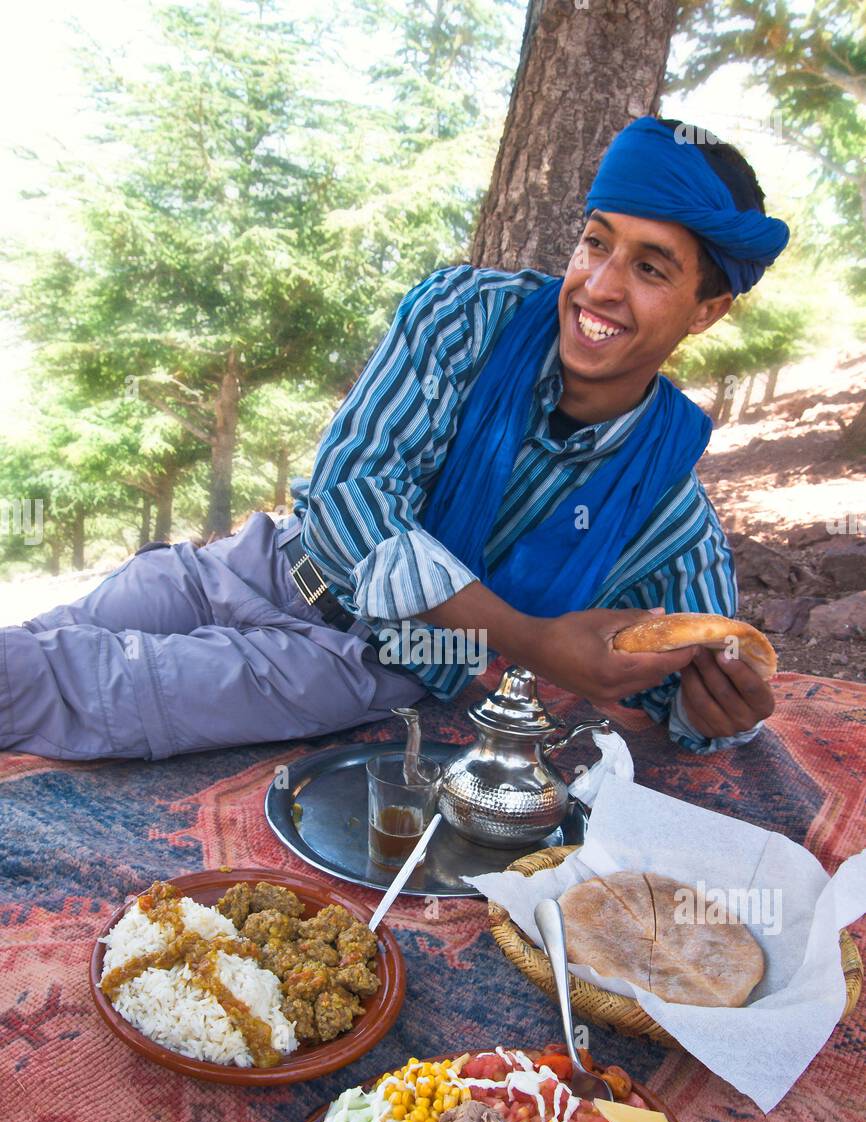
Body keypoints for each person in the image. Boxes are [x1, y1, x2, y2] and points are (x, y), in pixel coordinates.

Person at [0, 116, 788, 762]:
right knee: (34, 641)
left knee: (53, 688)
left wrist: (718, 710)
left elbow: (702, 672)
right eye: (595, 242)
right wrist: (530, 641)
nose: (601, 286)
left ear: (706, 310)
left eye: (651, 269)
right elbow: (350, 502)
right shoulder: (469, 316)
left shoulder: (664, 504)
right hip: (256, 563)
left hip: (354, 667)